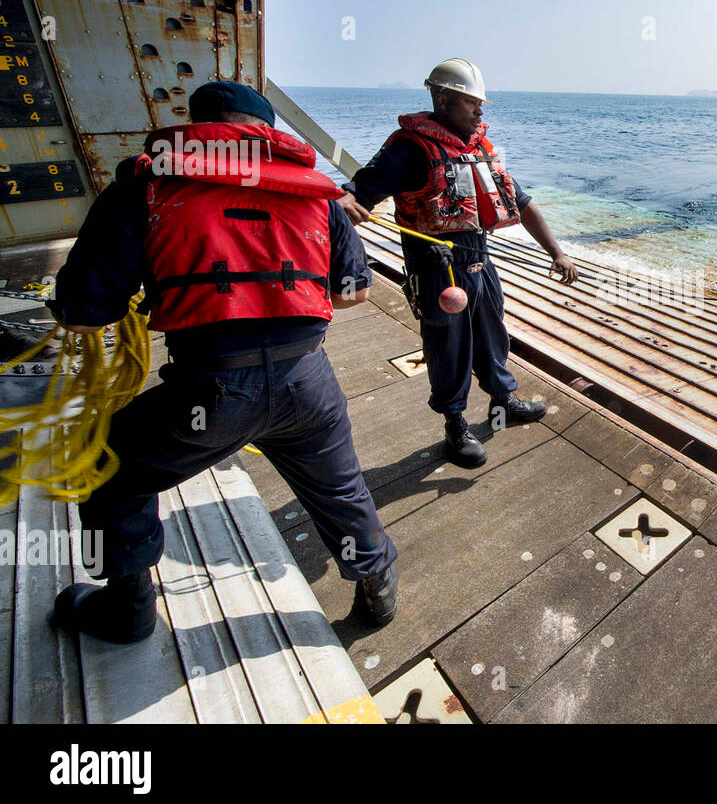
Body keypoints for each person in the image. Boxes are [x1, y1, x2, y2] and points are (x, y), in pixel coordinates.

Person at [47, 82, 399, 643]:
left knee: (103, 465)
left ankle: (128, 608)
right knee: (341, 491)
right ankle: (379, 592)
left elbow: (82, 315)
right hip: (308, 382)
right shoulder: (318, 197)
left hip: (208, 392)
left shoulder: (144, 191)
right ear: (270, 134)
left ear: (198, 126)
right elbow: (355, 293)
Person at [337, 58, 578, 468]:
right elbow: (355, 194)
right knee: (447, 343)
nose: (479, 111)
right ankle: (454, 423)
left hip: (478, 255)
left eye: (480, 103)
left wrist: (557, 251)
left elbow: (521, 202)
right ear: (442, 99)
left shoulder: (479, 148)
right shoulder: (408, 149)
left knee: (492, 331)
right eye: (470, 102)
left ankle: (503, 402)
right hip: (436, 266)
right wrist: (345, 201)